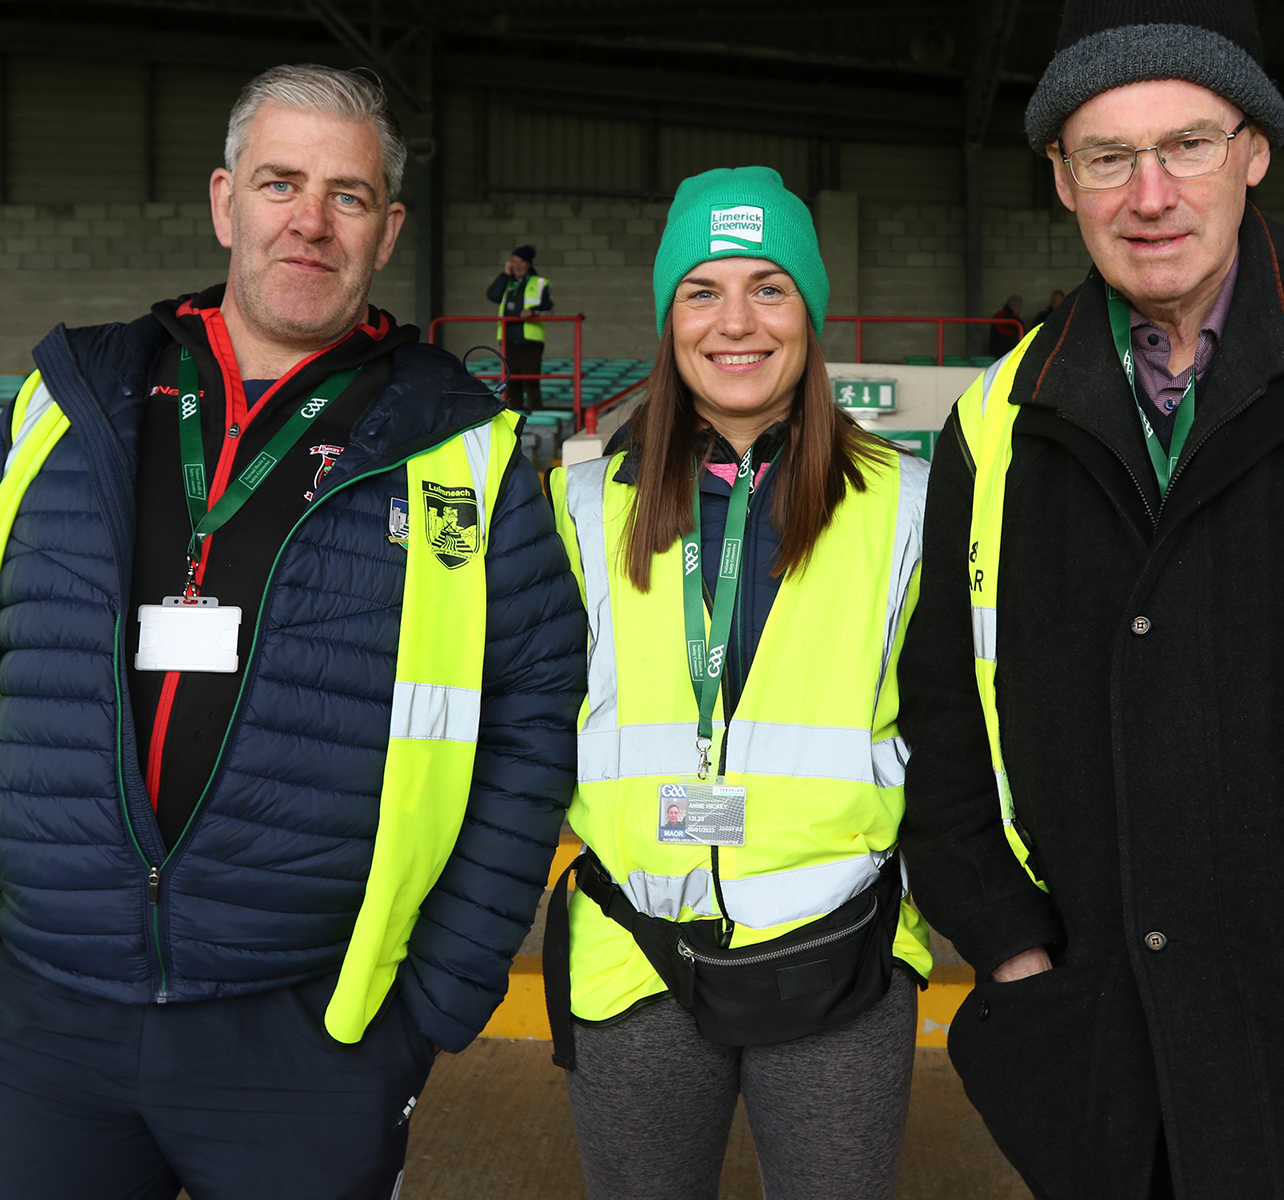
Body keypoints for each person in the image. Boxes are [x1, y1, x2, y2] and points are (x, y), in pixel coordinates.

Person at [898, 2, 1284, 1198]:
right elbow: (944, 725)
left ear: (1255, 152)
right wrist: (1017, 957)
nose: (1151, 195)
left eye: (1188, 144)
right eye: (1108, 156)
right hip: (1112, 1070)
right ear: (1063, 179)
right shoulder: (995, 419)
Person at [0, 64, 586, 1199]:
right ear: (226, 202)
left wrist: (439, 996)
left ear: (388, 228)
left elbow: (531, 718)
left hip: (307, 1036)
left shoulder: (463, 450)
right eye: (280, 182)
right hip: (42, 1016)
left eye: (347, 195)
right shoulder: (65, 402)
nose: (309, 221)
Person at [545, 166, 932, 1200]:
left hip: (837, 950)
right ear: (669, 317)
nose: (736, 323)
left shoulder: (909, 503)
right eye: (702, 290)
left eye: (769, 286)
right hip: (635, 953)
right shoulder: (577, 506)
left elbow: (960, 733)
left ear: (810, 310)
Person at [486, 244, 554, 410]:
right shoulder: (506, 282)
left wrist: (532, 312)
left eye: (521, 262)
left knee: (531, 382)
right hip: (507, 339)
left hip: (529, 340)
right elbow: (493, 295)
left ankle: (535, 416)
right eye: (514, 261)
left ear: (528, 264)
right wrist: (505, 274)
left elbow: (549, 308)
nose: (517, 265)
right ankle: (512, 416)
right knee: (511, 382)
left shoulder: (538, 283)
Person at [987, 293, 1025, 358]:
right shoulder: (1001, 315)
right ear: (1013, 306)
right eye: (1019, 306)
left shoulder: (1017, 319)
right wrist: (1015, 337)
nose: (1020, 308)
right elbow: (1001, 331)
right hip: (1000, 349)